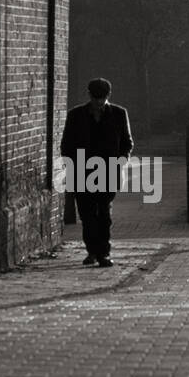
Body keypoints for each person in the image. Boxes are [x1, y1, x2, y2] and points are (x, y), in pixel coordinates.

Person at [60, 78, 133, 267]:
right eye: (95, 98)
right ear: (89, 95)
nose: (98, 102)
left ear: (108, 96)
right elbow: (66, 144)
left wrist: (121, 162)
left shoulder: (118, 114)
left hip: (108, 171)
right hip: (82, 172)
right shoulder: (75, 115)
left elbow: (127, 142)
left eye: (102, 98)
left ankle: (103, 253)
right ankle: (92, 251)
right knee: (87, 215)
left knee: (104, 215)